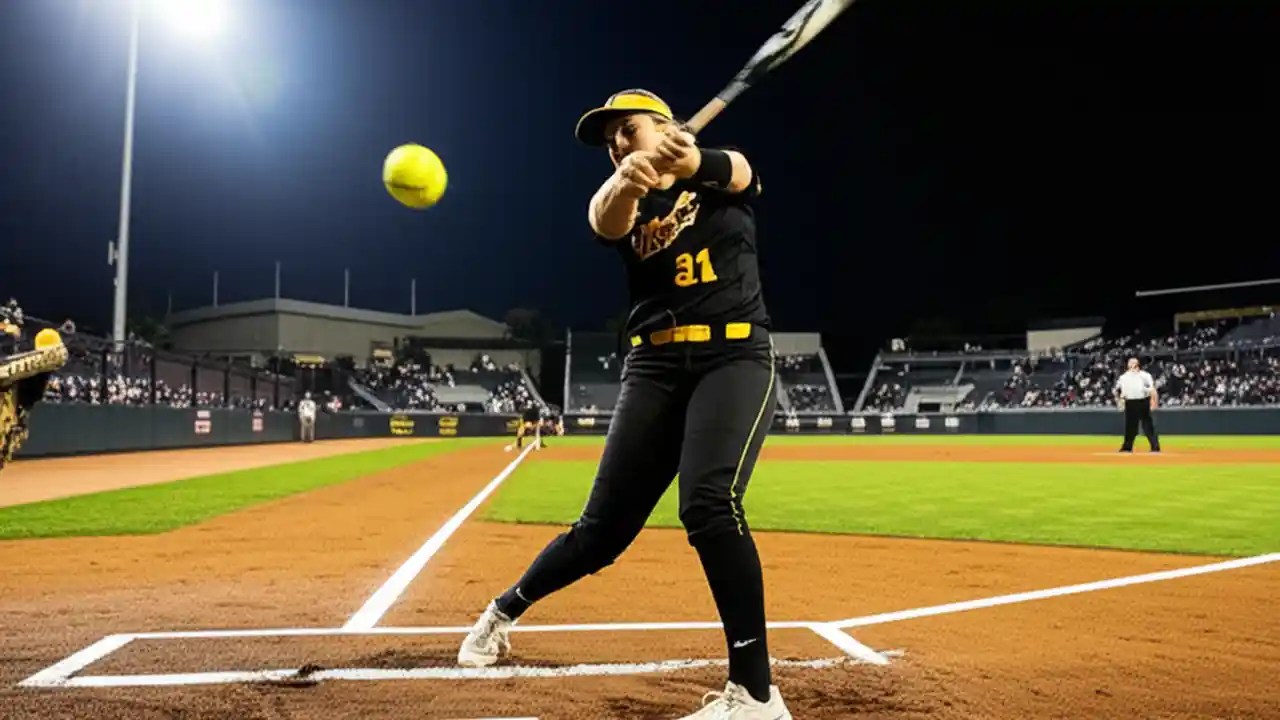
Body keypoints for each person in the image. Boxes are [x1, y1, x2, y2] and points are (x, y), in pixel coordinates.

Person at [458, 88, 789, 719]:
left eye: (626, 130)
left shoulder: (719, 171)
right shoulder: (621, 198)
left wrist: (686, 161)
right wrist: (632, 181)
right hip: (655, 365)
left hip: (734, 357)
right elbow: (604, 218)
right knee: (600, 535)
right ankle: (502, 612)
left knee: (710, 504)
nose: (615, 144)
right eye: (607, 140)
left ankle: (754, 695)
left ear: (663, 126)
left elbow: (738, 170)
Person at [1114, 357, 1160, 452]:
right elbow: (1117, 390)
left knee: (1147, 425)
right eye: (1130, 364)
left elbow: (1152, 389)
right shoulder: (1123, 377)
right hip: (1130, 402)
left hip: (1143, 401)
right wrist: (1119, 401)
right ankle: (1127, 446)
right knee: (1130, 426)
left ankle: (1155, 446)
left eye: (1134, 364)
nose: (1132, 366)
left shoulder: (1145, 375)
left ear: (1138, 364)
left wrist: (1154, 401)